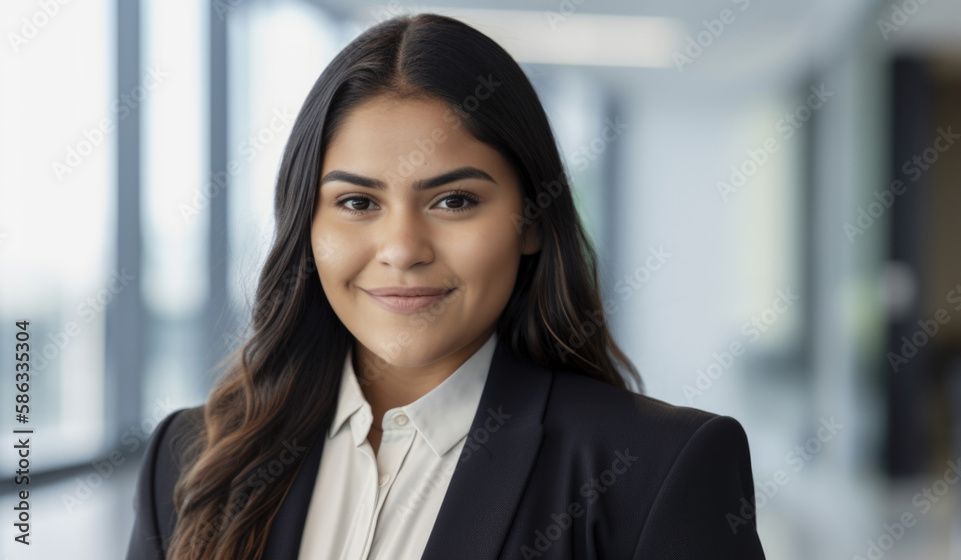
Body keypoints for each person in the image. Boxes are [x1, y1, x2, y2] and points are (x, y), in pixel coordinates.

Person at [126, 12, 767, 560]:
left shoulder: (655, 469)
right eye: (357, 202)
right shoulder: (190, 460)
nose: (403, 250)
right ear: (306, 226)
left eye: (454, 200)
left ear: (531, 221)